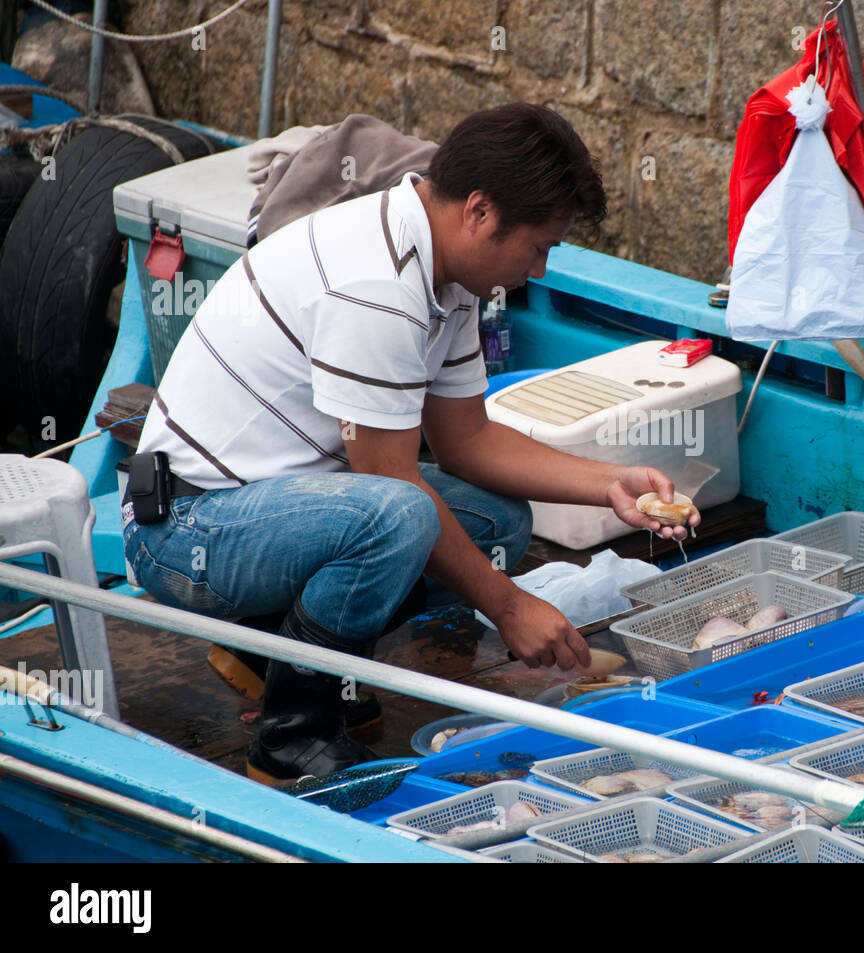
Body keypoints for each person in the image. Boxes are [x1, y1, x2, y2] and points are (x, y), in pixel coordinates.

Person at [122, 103, 698, 784]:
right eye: (539, 246)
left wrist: (608, 482)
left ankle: (283, 648)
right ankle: (292, 739)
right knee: (400, 515)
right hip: (190, 530)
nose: (538, 270)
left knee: (498, 520)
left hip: (277, 508)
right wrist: (511, 607)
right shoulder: (375, 283)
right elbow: (393, 484)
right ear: (480, 212)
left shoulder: (444, 271)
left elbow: (467, 440)